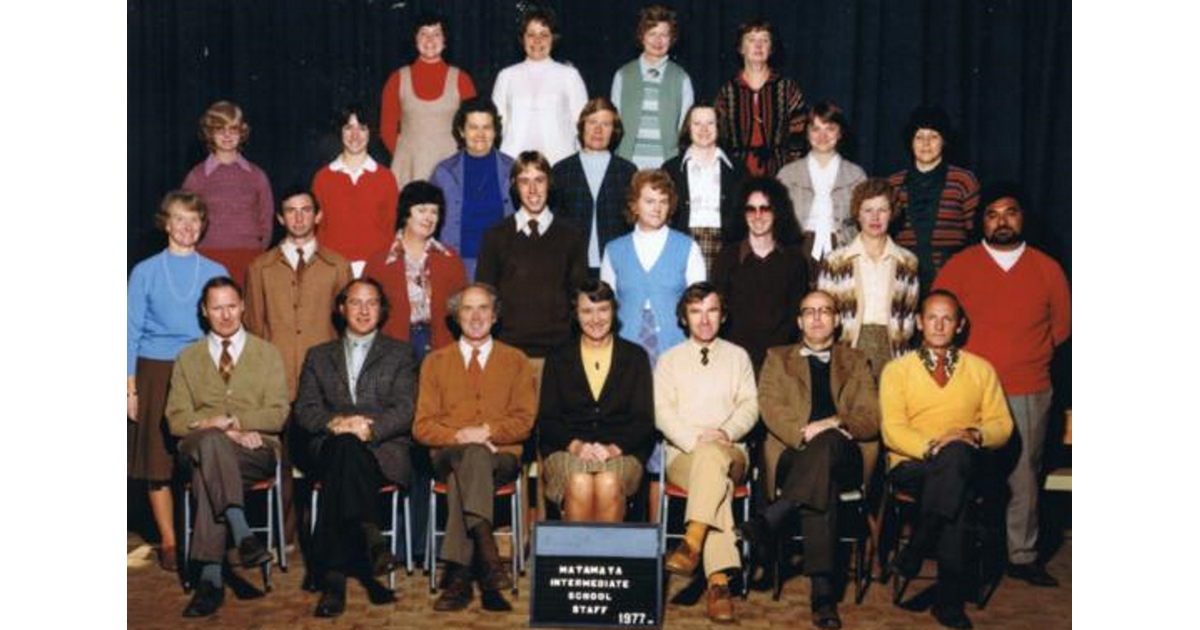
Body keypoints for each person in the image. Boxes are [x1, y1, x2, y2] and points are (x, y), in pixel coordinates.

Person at [933, 182, 1071, 588]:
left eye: (1010, 212)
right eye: (992, 214)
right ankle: (964, 550)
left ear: (1023, 217)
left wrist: (1029, 355)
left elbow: (1062, 326)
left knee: (1024, 472)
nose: (1002, 221)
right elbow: (939, 320)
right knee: (965, 469)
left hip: (1029, 384)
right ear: (982, 221)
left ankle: (1022, 555)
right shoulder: (960, 265)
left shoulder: (1047, 267)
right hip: (970, 387)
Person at [741, 290, 880, 629]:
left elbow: (871, 416)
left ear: (836, 319)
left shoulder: (857, 359)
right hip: (793, 451)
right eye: (809, 312)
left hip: (844, 451)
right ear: (800, 320)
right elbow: (769, 406)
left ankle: (776, 514)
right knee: (822, 479)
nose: (817, 318)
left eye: (825, 311)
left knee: (829, 447)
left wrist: (832, 424)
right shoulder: (777, 357)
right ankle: (823, 596)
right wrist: (805, 433)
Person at [880, 290, 1014, 629]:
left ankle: (918, 546)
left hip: (966, 459)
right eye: (932, 318)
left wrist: (975, 435)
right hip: (913, 464)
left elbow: (1003, 425)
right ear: (920, 323)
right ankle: (949, 602)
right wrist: (933, 446)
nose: (939, 325)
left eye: (948, 318)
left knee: (958, 462)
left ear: (959, 326)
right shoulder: (897, 370)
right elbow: (892, 429)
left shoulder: (981, 370)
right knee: (959, 488)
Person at [293, 278, 418, 617]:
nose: (364, 310)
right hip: (331, 448)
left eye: (372, 302)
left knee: (346, 453)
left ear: (382, 309)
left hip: (382, 451)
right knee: (343, 448)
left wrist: (369, 429)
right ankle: (371, 534)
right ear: (341, 308)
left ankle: (332, 580)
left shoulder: (401, 353)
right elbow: (304, 409)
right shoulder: (318, 356)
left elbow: (405, 408)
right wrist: (333, 425)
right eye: (356, 302)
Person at [165, 277, 289, 617]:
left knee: (211, 465)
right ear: (204, 312)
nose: (225, 315)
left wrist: (232, 423)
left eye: (232, 306)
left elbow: (278, 414)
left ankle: (210, 581)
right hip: (201, 448)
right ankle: (241, 531)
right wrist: (218, 432)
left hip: (254, 450)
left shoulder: (267, 353)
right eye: (217, 308)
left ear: (243, 307)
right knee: (210, 449)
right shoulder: (187, 358)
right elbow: (176, 419)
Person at [414, 284, 537, 612]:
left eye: (484, 308)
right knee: (470, 456)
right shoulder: (435, 362)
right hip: (447, 454)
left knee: (467, 472)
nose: (476, 316)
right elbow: (422, 426)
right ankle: (488, 557)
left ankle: (459, 577)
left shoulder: (516, 361)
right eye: (468, 309)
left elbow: (524, 421)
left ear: (495, 316)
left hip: (502, 457)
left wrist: (486, 431)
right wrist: (460, 436)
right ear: (456, 317)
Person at [127, 190, 228, 574]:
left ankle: (204, 537)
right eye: (179, 219)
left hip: (199, 369)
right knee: (157, 461)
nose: (187, 227)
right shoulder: (145, 271)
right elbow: (129, 330)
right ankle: (169, 541)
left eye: (194, 220)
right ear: (166, 223)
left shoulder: (216, 270)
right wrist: (129, 387)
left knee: (204, 451)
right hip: (153, 369)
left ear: (202, 226)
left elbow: (226, 330)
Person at [656, 283, 758, 624]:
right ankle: (718, 584)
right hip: (685, 454)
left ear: (722, 315)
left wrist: (726, 433)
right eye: (696, 311)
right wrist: (695, 441)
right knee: (716, 483)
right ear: (684, 318)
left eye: (712, 310)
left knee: (715, 463)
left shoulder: (738, 356)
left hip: (733, 452)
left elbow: (750, 406)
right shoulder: (669, 360)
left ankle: (693, 540)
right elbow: (661, 411)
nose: (704, 319)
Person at [537, 280, 655, 522]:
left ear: (614, 310)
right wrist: (577, 446)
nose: (596, 318)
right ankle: (577, 559)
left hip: (622, 452)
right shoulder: (558, 358)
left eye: (603, 309)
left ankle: (605, 560)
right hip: (567, 451)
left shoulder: (635, 357)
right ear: (575, 315)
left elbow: (643, 421)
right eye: (587, 311)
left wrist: (613, 449)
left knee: (608, 482)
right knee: (579, 482)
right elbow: (548, 420)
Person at [476, 151, 588, 361]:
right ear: (514, 186)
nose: (533, 189)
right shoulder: (495, 236)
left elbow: (578, 299)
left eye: (539, 180)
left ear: (549, 183)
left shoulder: (572, 236)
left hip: (558, 354)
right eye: (524, 181)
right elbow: (485, 298)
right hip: (508, 352)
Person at [244, 186, 353, 399]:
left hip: (325, 379)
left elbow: (347, 328)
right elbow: (253, 327)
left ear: (318, 216)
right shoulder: (259, 268)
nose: (299, 218)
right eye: (291, 211)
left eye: (306, 210)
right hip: (275, 377)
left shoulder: (339, 266)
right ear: (281, 218)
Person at [600, 169, 705, 366]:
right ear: (634, 205)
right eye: (650, 201)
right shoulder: (613, 250)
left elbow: (700, 308)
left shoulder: (688, 247)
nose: (657, 208)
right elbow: (605, 309)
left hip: (677, 354)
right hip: (625, 355)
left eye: (663, 201)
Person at [819, 178, 920, 381]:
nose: (875, 217)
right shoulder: (835, 261)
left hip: (894, 356)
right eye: (868, 210)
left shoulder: (908, 262)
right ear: (857, 213)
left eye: (882, 210)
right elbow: (825, 316)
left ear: (892, 213)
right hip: (849, 353)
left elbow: (908, 318)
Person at [711, 176, 807, 373]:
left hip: (782, 364)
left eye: (765, 208)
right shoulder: (727, 258)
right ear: (742, 213)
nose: (758, 216)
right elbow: (718, 314)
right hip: (735, 363)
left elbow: (797, 317)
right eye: (751, 209)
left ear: (777, 212)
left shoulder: (795, 261)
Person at [363, 180, 467, 359]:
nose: (429, 217)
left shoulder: (450, 259)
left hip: (441, 348)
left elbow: (463, 309)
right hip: (392, 350)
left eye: (434, 212)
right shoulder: (379, 262)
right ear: (406, 214)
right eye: (421, 210)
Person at [379, 13, 478, 190]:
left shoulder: (462, 80)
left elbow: (473, 128)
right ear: (415, 39)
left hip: (451, 170)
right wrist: (407, 157)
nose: (430, 39)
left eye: (436, 33)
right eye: (424, 33)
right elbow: (387, 130)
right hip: (409, 169)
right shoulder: (397, 79)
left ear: (445, 40)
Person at [181, 100, 274, 286]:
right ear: (210, 133)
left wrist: (256, 252)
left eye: (233, 129)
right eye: (219, 129)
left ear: (242, 133)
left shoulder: (257, 175)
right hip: (208, 256)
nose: (227, 135)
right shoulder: (197, 176)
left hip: (249, 258)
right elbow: (184, 219)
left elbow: (266, 218)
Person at [888, 105, 980, 290]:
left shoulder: (964, 181)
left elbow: (975, 235)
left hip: (953, 275)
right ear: (911, 142)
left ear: (944, 141)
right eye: (919, 137)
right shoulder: (893, 183)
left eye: (933, 137)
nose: (926, 144)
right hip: (903, 277)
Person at [776, 101, 868, 286]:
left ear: (840, 133)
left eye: (830, 128)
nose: (822, 136)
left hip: (842, 248)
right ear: (807, 133)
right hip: (799, 248)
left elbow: (864, 224)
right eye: (815, 129)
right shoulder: (787, 174)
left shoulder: (856, 175)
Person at [430, 98, 516, 280]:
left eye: (486, 127)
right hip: (456, 266)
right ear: (461, 131)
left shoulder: (513, 170)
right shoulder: (443, 173)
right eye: (473, 127)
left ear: (495, 131)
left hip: (502, 266)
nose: (480, 134)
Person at [551, 97, 638, 277]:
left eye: (606, 124)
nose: (598, 130)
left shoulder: (627, 171)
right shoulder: (561, 170)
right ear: (582, 126)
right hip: (571, 265)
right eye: (592, 122)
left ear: (614, 131)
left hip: (616, 265)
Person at [491, 6, 588, 165]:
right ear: (523, 39)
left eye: (544, 35)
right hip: (514, 163)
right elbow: (496, 126)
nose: (537, 40)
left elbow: (582, 124)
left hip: (559, 163)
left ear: (553, 38)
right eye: (531, 34)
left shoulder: (570, 75)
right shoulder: (506, 76)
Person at [312, 103, 400, 272]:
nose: (355, 135)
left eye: (362, 128)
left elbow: (392, 230)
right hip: (333, 270)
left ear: (371, 132)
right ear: (340, 131)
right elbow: (317, 230)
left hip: (374, 268)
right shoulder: (323, 178)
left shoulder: (386, 178)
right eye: (348, 128)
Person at [714, 18, 805, 178]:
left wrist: (792, 172)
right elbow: (718, 136)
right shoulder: (727, 91)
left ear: (771, 49)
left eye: (764, 40)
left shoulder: (787, 87)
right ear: (741, 48)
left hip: (780, 172)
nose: (758, 46)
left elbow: (799, 135)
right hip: (737, 174)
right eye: (751, 40)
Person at [662, 104, 745, 275]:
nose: (704, 129)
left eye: (710, 123)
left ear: (719, 127)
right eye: (697, 123)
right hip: (682, 243)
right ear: (687, 128)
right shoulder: (670, 169)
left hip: (726, 246)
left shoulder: (738, 169)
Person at [610, 4, 695, 169]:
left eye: (664, 35)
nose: (658, 41)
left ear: (672, 39)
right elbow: (615, 124)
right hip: (628, 164)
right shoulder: (622, 75)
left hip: (666, 166)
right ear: (642, 37)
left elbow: (685, 129)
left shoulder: (682, 78)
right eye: (652, 34)